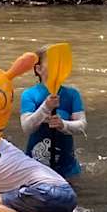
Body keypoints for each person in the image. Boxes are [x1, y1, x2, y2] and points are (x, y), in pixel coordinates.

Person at [20, 52, 86, 180]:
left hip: (68, 168)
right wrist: (45, 108)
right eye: (52, 64)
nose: (58, 68)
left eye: (60, 64)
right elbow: (27, 128)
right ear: (38, 69)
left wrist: (63, 124)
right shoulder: (29, 95)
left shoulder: (72, 94)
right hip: (35, 168)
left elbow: (82, 125)